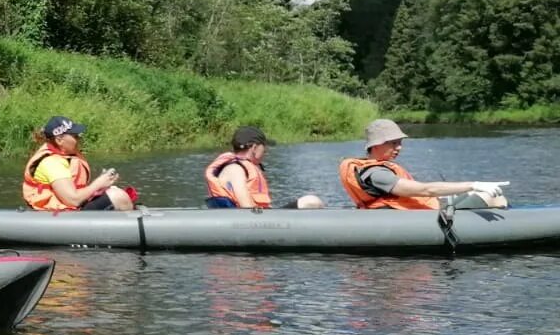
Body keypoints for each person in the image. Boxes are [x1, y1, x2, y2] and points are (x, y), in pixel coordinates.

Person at [338, 119, 509, 210]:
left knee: (495, 196)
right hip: (422, 216)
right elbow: (425, 190)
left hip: (421, 208)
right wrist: (473, 184)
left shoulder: (373, 168)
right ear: (376, 145)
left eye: (400, 142)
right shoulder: (377, 174)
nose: (399, 147)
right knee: (489, 197)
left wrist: (468, 190)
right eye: (393, 143)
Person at [21, 117, 135, 212]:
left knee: (114, 191)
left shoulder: (66, 156)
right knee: (118, 196)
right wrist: (98, 183)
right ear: (59, 140)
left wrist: (102, 186)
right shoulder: (51, 163)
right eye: (75, 136)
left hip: (70, 209)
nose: (79, 138)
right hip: (57, 215)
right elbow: (73, 200)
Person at [204, 126, 325, 210]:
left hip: (260, 218)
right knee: (311, 201)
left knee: (312, 201)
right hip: (252, 223)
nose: (266, 151)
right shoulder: (235, 169)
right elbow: (247, 208)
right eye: (264, 147)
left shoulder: (240, 167)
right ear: (254, 147)